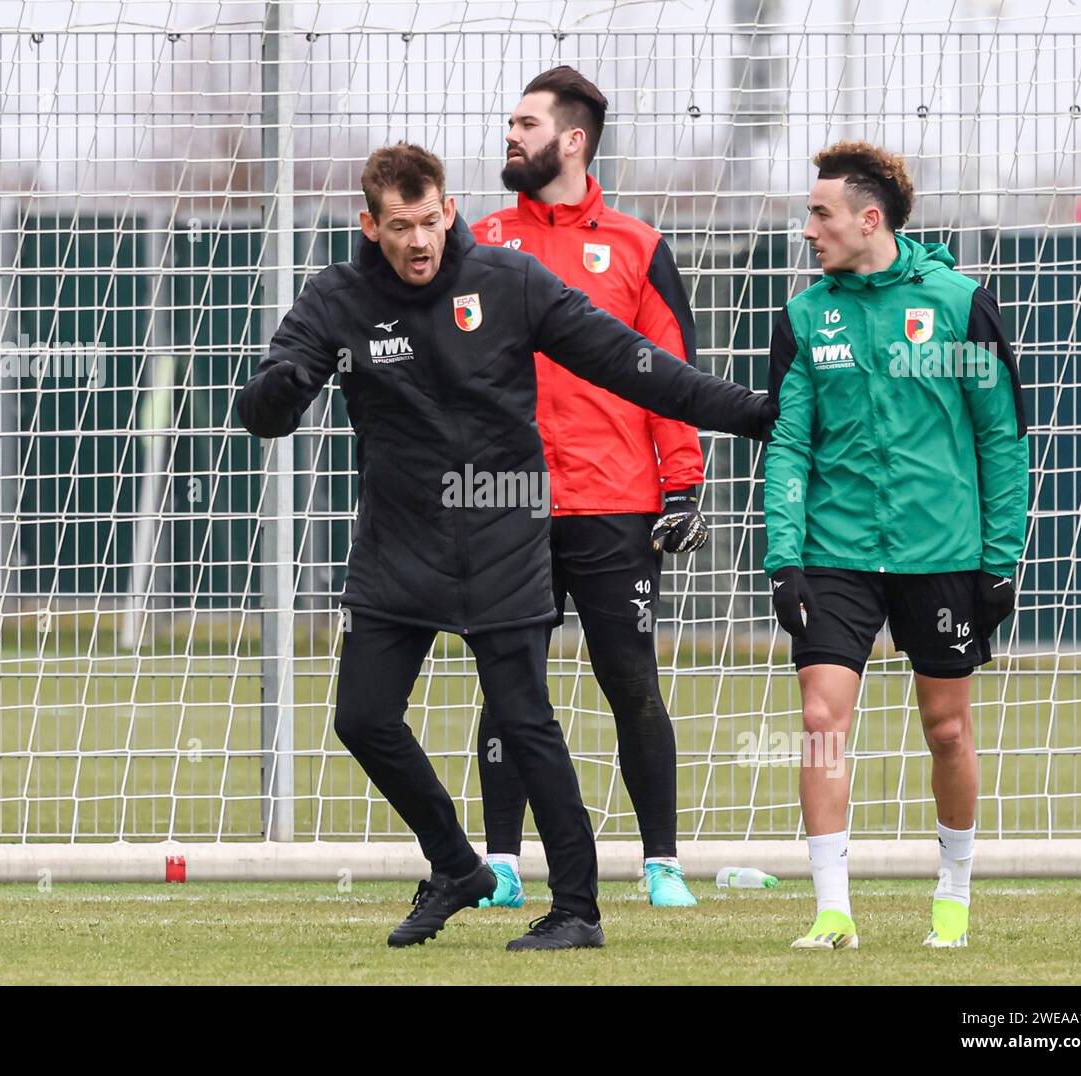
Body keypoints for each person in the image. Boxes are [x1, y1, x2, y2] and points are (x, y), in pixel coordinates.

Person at [237, 142, 775, 951]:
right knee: (362, 717)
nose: (418, 241)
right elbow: (272, 400)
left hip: (503, 533)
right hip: (399, 543)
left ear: (448, 210)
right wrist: (276, 395)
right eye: (398, 226)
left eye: (429, 221)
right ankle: (457, 866)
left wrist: (753, 412)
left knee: (525, 721)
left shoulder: (508, 282)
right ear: (369, 226)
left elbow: (633, 365)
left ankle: (578, 911)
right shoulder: (336, 298)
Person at [763, 141, 1028, 951]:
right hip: (835, 552)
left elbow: (1001, 439)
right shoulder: (807, 316)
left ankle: (952, 892)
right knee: (819, 719)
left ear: (867, 218)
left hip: (941, 553)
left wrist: (1000, 560)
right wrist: (784, 556)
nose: (808, 229)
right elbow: (787, 445)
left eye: (820, 213)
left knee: (946, 729)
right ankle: (832, 910)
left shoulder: (959, 304)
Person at [471, 66, 709, 909]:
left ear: (572, 140)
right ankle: (499, 863)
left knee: (631, 681)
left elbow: (669, 371)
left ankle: (660, 863)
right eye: (510, 122)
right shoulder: (479, 240)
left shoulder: (639, 246)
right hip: (505, 502)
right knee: (509, 681)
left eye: (526, 124)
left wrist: (684, 482)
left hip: (616, 503)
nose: (511, 135)